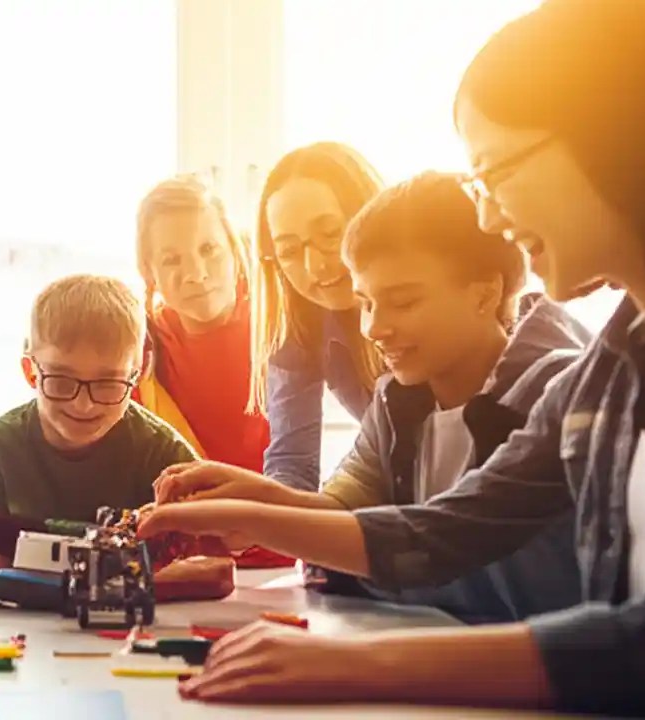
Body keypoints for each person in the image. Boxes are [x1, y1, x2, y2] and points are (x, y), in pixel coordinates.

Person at [138, 1, 645, 714]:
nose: (488, 217)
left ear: (606, 137)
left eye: (494, 172)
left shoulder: (575, 365)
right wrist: (262, 513)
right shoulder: (612, 365)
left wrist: (363, 663)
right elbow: (447, 528)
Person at [153, 171, 586, 623]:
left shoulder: (554, 392)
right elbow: (346, 514)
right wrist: (252, 499)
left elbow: (452, 559)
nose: (374, 328)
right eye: (366, 303)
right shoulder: (397, 399)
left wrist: (264, 520)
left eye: (402, 302)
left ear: (485, 293)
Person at [0, 274, 197, 523]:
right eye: (61, 381)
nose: (84, 405)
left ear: (138, 375)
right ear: (31, 372)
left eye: (107, 384)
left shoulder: (167, 457)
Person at [256, 142, 387, 490]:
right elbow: (291, 461)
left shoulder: (433, 306)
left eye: (330, 234)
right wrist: (262, 512)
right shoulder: (301, 324)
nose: (316, 266)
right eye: (289, 250)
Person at [132, 175, 268, 473]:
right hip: (180, 509)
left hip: (275, 507)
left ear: (235, 249)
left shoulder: (278, 330)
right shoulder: (139, 352)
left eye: (209, 249)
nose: (196, 273)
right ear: (149, 271)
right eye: (171, 260)